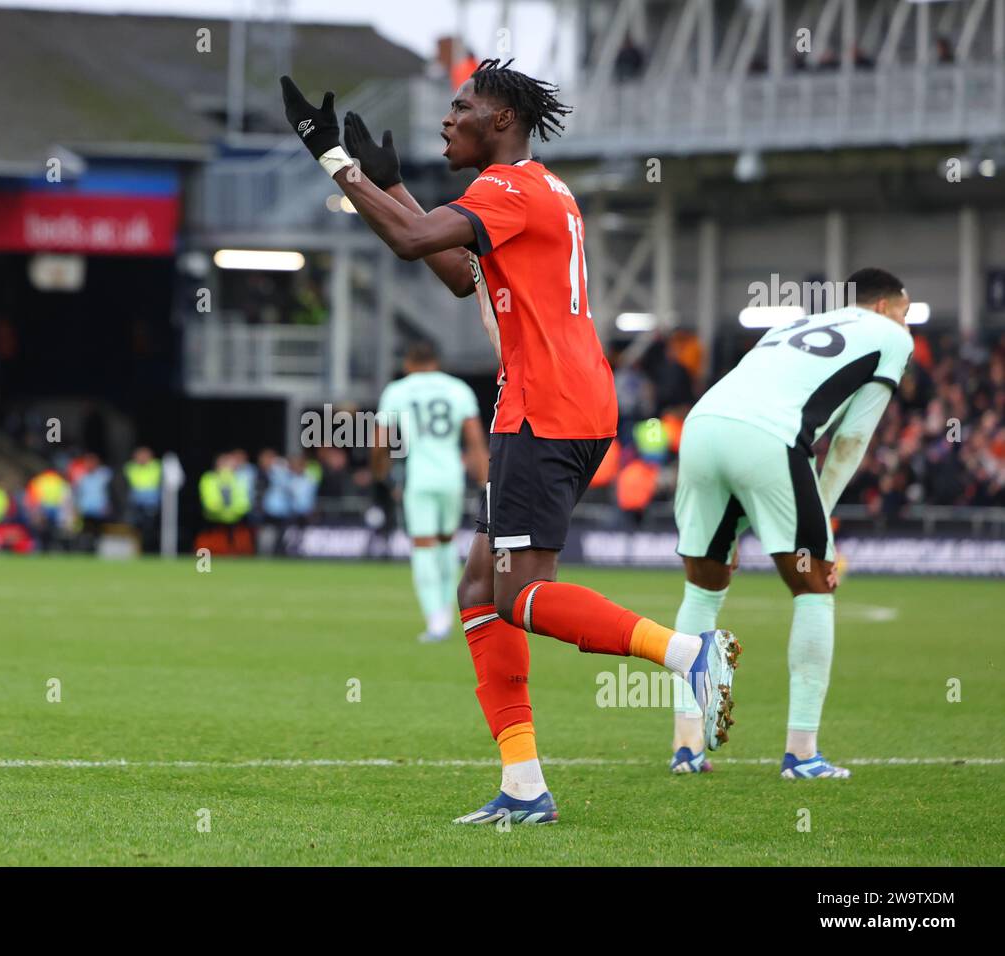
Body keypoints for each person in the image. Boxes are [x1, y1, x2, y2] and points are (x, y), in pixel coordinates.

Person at [281, 59, 739, 825]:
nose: (444, 119)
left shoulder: (508, 187)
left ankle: (693, 656)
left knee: (519, 594)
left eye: (459, 107)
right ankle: (523, 787)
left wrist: (335, 162)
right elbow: (459, 271)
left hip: (542, 410)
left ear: (499, 121)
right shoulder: (542, 188)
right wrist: (392, 189)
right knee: (476, 591)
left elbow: (412, 243)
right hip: (568, 402)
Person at [669, 268, 914, 780]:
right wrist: (819, 520)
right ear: (890, 306)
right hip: (767, 438)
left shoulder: (798, 325)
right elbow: (851, 440)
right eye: (907, 314)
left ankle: (686, 746)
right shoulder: (891, 335)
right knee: (814, 586)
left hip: (702, 426)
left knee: (703, 588)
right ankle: (802, 754)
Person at [373, 339, 486, 643]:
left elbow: (380, 440)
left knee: (423, 546)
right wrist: (483, 479)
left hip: (419, 478)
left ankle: (435, 620)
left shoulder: (398, 390)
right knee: (447, 543)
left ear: (409, 363)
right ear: (436, 362)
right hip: (451, 476)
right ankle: (449, 612)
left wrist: (380, 472)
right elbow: (475, 439)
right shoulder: (457, 388)